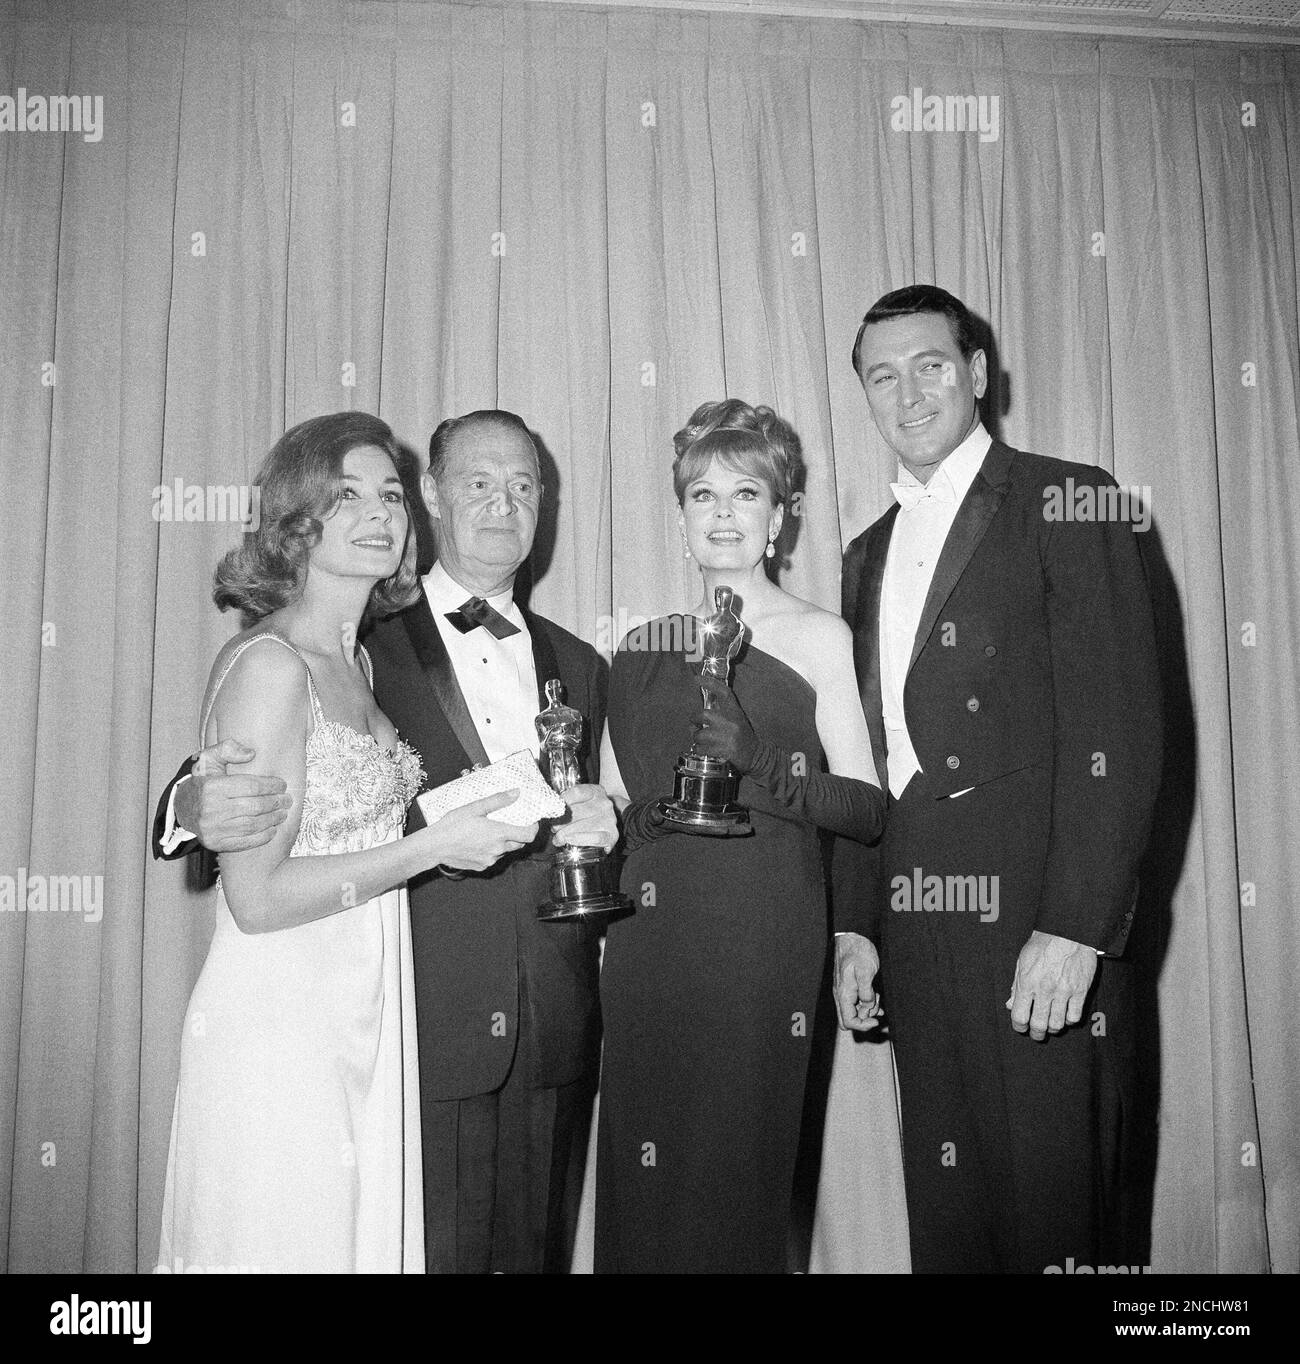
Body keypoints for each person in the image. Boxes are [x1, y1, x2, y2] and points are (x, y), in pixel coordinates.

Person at [155, 409, 615, 1274]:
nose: (503, 504)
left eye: (523, 486)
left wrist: (604, 827)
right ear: (438, 499)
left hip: (524, 1019)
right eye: (478, 482)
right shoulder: (362, 641)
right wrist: (189, 804)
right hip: (411, 1022)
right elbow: (229, 773)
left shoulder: (578, 663)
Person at [832, 284, 1163, 1273]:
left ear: (978, 373)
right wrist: (856, 926)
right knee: (952, 1216)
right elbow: (868, 761)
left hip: (1037, 917)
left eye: (929, 364)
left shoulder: (1070, 495)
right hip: (916, 921)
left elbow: (1124, 728)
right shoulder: (864, 555)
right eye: (882, 375)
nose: (909, 392)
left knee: (1055, 1214)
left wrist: (1073, 926)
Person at [594, 400, 886, 1273]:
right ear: (681, 516)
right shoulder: (641, 648)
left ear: (778, 516)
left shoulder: (818, 637)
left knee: (735, 1180)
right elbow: (611, 810)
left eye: (746, 493)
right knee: (644, 1183)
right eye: (703, 495)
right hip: (648, 941)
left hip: (761, 941)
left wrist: (759, 767)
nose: (723, 513)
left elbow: (869, 810)